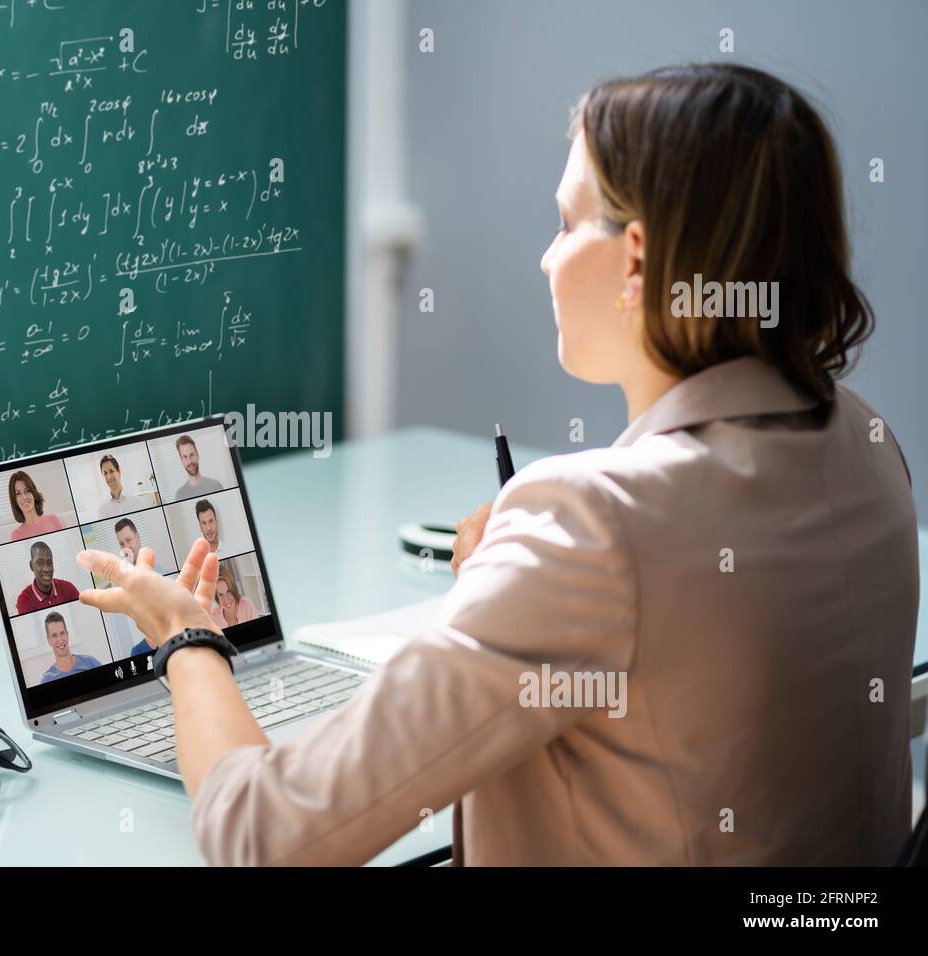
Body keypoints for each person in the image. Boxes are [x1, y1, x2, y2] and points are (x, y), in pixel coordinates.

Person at [76, 64, 917, 867]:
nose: (545, 259)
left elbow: (264, 836)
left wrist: (186, 639)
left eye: (562, 224)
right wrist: (523, 592)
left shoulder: (591, 524)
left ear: (634, 261)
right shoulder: (869, 448)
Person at [15, 541, 80, 615]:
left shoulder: (68, 588)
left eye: (49, 562)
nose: (47, 569)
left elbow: (83, 616)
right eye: (40, 562)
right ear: (31, 566)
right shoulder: (24, 600)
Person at [38, 612, 101, 683]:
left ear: (67, 635)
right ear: (49, 640)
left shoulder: (90, 662)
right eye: (54, 635)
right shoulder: (46, 679)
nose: (60, 639)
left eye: (62, 633)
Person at [7, 471, 65, 541]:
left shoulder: (54, 519)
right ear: (14, 500)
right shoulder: (16, 535)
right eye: (18, 493)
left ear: (33, 493)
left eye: (27, 491)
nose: (24, 497)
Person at [173, 435, 225, 501]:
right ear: (182, 461)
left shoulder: (216, 486)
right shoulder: (180, 495)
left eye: (191, 455)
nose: (190, 461)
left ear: (197, 455)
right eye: (185, 457)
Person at [96, 454, 146, 519]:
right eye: (105, 473)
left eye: (111, 471)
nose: (109, 477)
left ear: (118, 471)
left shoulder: (136, 501)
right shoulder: (102, 509)